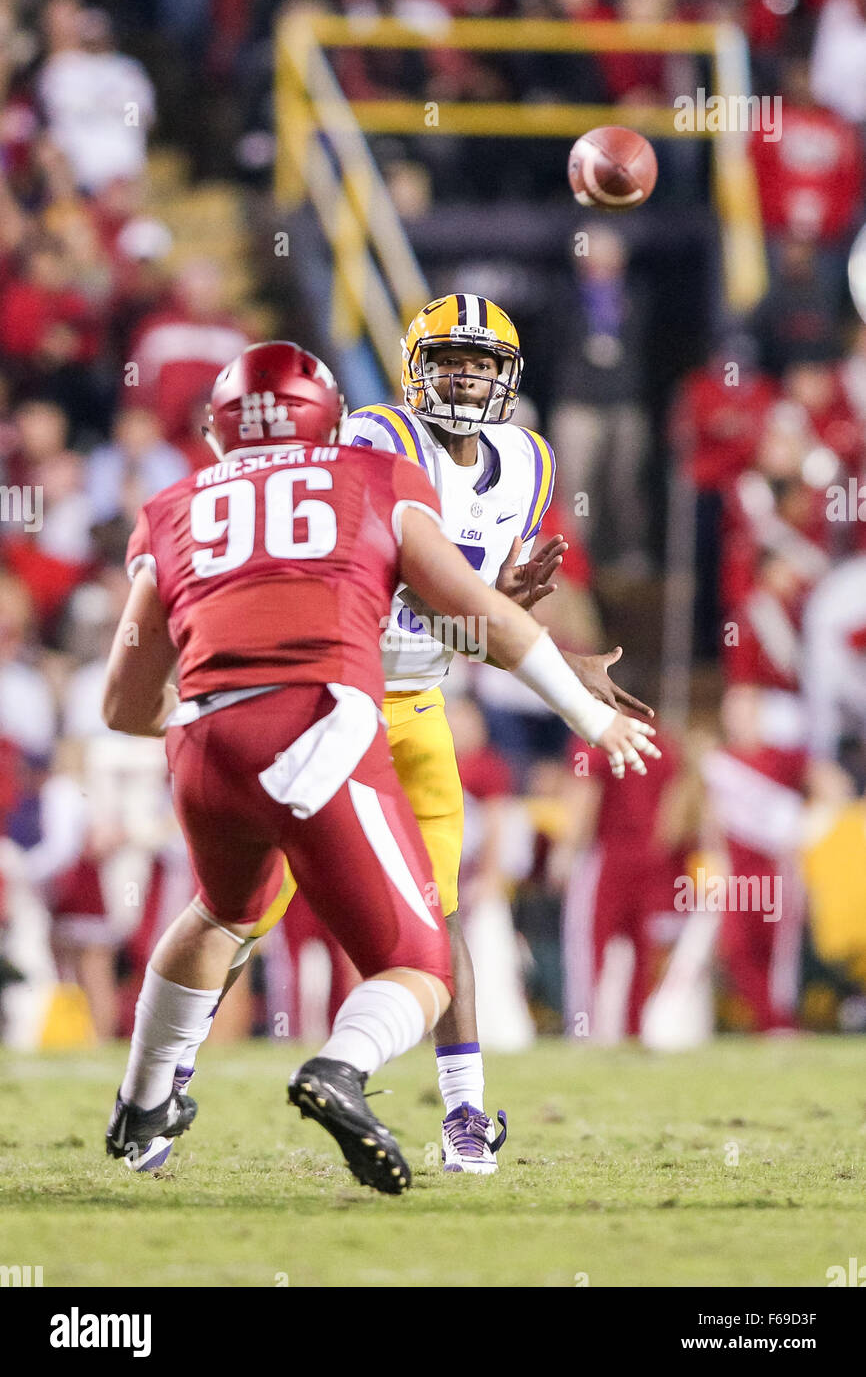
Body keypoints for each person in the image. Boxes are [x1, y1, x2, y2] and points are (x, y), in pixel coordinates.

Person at [102, 340, 660, 1194]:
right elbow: (481, 618)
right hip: (332, 718)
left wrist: (213, 719)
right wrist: (578, 700)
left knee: (223, 915)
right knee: (422, 954)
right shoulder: (371, 471)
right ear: (335, 422)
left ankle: (144, 1109)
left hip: (212, 736)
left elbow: (121, 706)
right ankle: (341, 1069)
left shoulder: (173, 505)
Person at [343, 293, 653, 1171]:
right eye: (450, 360)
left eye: (482, 362)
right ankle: (161, 1079)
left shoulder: (528, 463)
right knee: (250, 909)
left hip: (418, 704)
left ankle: (465, 1115)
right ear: (416, 371)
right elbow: (397, 601)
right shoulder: (381, 442)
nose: (467, 375)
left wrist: (518, 625)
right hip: (337, 698)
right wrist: (525, 645)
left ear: (507, 376)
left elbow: (458, 626)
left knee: (440, 917)